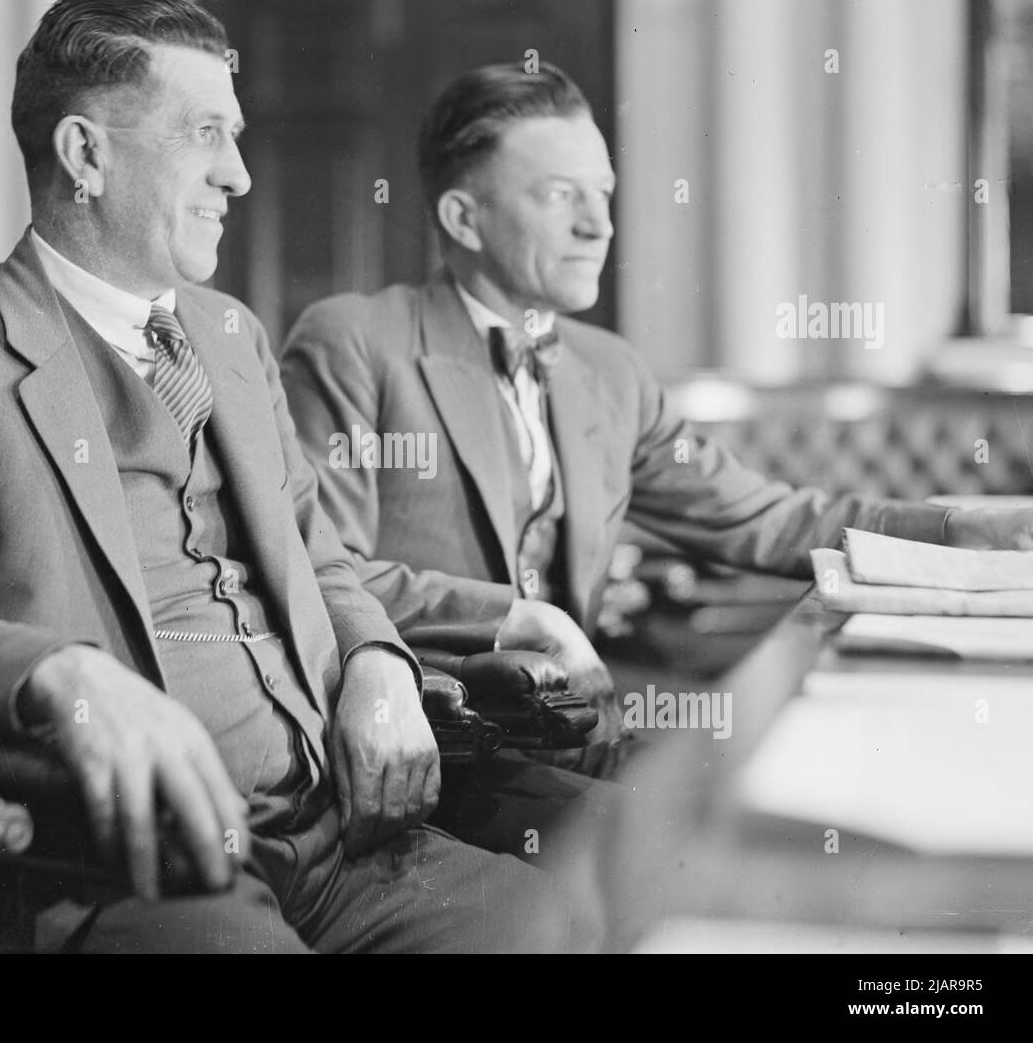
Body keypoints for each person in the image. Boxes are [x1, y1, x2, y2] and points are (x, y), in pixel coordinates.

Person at [0, 0, 599, 953]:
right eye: (206, 135)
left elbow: (323, 559)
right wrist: (70, 680)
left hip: (340, 836)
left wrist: (378, 662)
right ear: (85, 155)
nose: (239, 174)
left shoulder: (230, 335)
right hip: (137, 868)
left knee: (573, 928)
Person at [279, 61, 1033, 772]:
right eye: (559, 195)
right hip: (435, 743)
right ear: (465, 219)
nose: (600, 226)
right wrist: (515, 615)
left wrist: (953, 529)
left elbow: (767, 518)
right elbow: (322, 569)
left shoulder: (609, 370)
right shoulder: (355, 341)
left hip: (572, 735)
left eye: (603, 193)